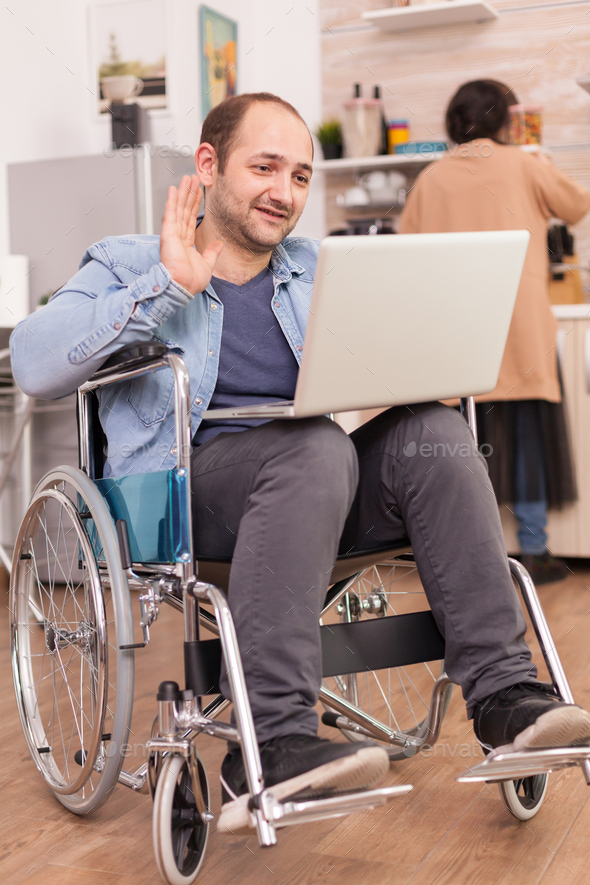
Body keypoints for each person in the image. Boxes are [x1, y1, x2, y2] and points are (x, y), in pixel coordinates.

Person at [11, 92, 590, 832]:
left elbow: (377, 378)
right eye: (264, 167)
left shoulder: (318, 266)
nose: (284, 193)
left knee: (435, 435)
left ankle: (506, 697)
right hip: (189, 496)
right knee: (312, 444)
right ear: (209, 164)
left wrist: (426, 357)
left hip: (314, 485)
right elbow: (33, 361)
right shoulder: (127, 259)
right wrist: (165, 287)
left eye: (301, 176)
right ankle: (276, 739)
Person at [399, 79, 590, 585]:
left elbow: (405, 253)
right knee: (530, 439)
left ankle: (472, 556)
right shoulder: (525, 164)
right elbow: (576, 206)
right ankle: (536, 551)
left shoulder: (432, 177)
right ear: (504, 118)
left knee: (463, 444)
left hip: (459, 330)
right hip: (522, 326)